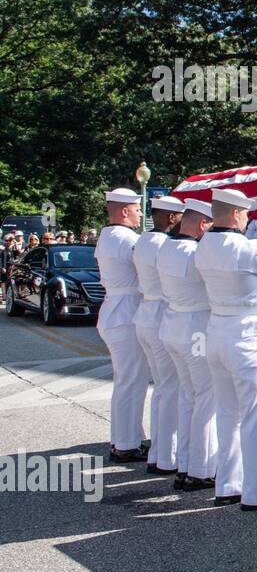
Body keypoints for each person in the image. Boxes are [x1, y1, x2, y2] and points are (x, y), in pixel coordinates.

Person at [195, 187, 257, 511]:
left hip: (217, 333)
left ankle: (228, 485)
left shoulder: (204, 246)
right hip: (248, 338)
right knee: (256, 415)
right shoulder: (248, 248)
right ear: (238, 214)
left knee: (228, 415)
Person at [157, 198, 217, 492]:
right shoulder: (197, 253)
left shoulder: (165, 247)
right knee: (207, 396)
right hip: (196, 330)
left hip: (172, 326)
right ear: (203, 224)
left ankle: (184, 464)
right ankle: (201, 468)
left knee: (187, 395)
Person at [132, 194, 186, 475]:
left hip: (145, 313)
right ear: (171, 218)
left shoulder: (142, 240)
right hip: (162, 312)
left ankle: (157, 451)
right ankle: (168, 456)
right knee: (171, 388)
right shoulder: (165, 244)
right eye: (179, 217)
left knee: (162, 388)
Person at [96, 188, 150, 463]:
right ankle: (126, 444)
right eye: (137, 209)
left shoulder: (107, 235)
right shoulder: (126, 239)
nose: (140, 214)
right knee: (132, 381)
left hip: (115, 310)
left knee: (126, 380)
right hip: (126, 312)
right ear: (125, 211)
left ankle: (128, 436)